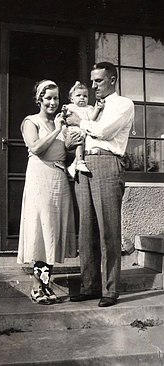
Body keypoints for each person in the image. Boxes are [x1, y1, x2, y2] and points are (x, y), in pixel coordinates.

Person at [66, 62, 134, 307]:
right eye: (92, 81)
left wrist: (80, 122)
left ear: (113, 80)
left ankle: (110, 290)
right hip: (84, 165)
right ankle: (89, 286)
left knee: (108, 230)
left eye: (99, 81)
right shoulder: (93, 109)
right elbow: (75, 135)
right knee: (86, 230)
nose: (93, 86)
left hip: (107, 163)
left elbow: (104, 132)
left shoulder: (123, 104)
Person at [17, 79, 77, 305]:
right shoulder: (31, 122)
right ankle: (36, 287)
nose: (53, 102)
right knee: (41, 231)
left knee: (51, 232)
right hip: (40, 179)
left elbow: (66, 153)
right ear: (39, 99)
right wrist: (58, 130)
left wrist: (71, 140)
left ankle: (46, 284)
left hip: (58, 180)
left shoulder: (60, 123)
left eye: (56, 98)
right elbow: (36, 148)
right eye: (48, 98)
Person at [62, 81, 104, 178]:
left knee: (85, 146)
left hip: (84, 130)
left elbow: (92, 118)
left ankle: (73, 165)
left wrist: (97, 109)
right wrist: (64, 111)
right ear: (72, 98)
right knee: (79, 143)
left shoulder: (89, 108)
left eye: (85, 96)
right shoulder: (71, 107)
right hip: (74, 130)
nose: (82, 98)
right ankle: (80, 162)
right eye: (78, 95)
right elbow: (65, 118)